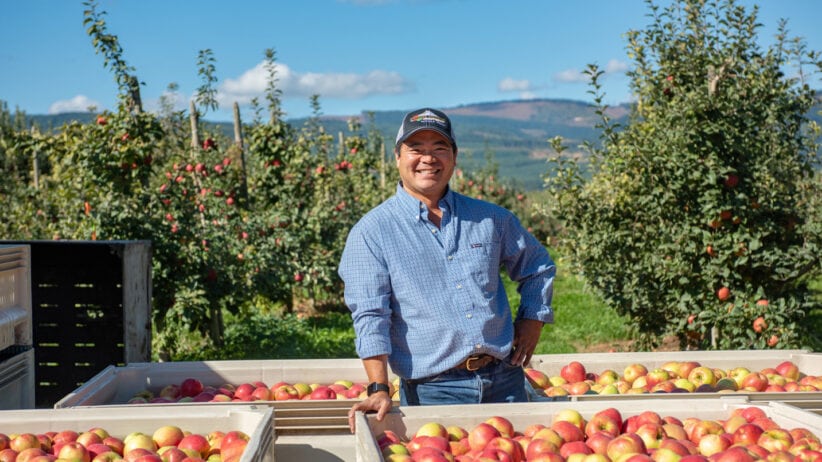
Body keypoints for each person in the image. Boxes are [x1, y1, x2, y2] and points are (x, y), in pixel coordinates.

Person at [338, 107, 555, 432]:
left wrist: (532, 320)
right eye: (416, 149)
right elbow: (370, 314)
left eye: (439, 148)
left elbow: (537, 266)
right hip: (434, 391)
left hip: (505, 380)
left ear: (454, 157)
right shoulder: (373, 232)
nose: (428, 158)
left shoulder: (491, 219)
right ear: (397, 157)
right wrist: (379, 387)